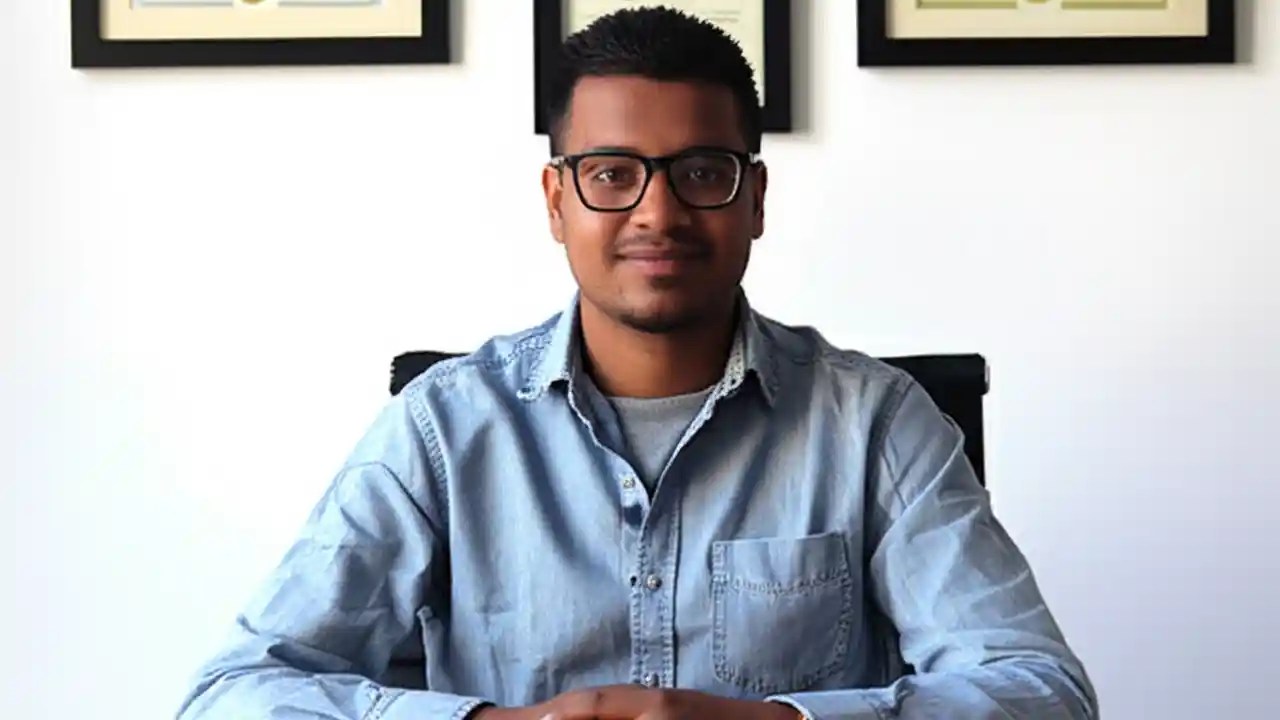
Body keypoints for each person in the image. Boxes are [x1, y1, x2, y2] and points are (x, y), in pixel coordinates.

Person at [176, 7, 1098, 719]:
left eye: (701, 170)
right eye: (612, 173)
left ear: (755, 198)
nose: (657, 213)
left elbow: (1041, 690)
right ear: (555, 199)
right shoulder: (444, 428)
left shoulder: (876, 421)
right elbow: (235, 694)